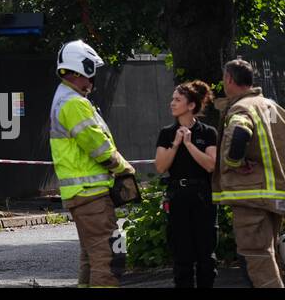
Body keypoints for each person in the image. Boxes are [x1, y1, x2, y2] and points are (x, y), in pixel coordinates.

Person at [50, 39, 135, 287]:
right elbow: (98, 147)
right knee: (110, 258)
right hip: (91, 195)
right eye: (92, 71)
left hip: (83, 195)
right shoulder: (74, 103)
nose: (94, 78)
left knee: (91, 259)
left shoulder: (65, 97)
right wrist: (124, 168)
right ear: (82, 68)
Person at [213, 58, 285, 288]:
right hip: (275, 192)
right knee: (269, 254)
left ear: (229, 79)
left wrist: (233, 162)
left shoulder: (241, 108)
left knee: (257, 257)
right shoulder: (273, 106)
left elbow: (238, 134)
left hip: (251, 194)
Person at [155, 80, 218, 287]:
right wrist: (176, 144)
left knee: (205, 256)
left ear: (191, 105)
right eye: (172, 99)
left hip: (202, 195)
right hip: (178, 196)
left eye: (177, 99)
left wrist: (189, 144)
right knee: (182, 256)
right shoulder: (166, 132)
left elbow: (210, 165)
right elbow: (161, 166)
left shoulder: (208, 132)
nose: (172, 103)